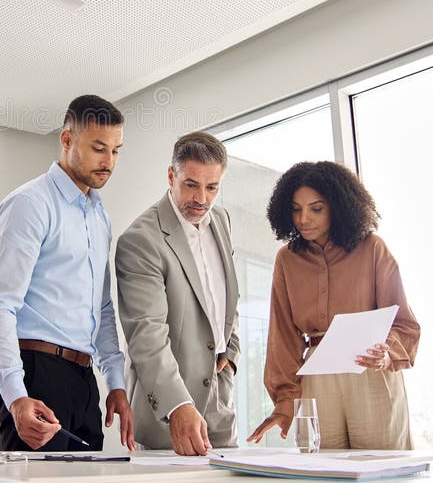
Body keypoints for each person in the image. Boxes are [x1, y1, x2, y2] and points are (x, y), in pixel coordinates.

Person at [0, 95, 134, 452]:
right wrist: (16, 396)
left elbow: (104, 307)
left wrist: (116, 384)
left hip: (83, 378)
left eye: (115, 150)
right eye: (98, 148)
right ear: (67, 140)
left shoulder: (99, 216)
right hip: (37, 373)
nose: (108, 162)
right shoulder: (29, 205)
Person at [248, 160, 420, 450]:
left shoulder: (372, 248)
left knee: (382, 472)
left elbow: (404, 323)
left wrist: (386, 354)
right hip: (317, 379)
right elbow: (283, 340)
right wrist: (285, 402)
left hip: (371, 372)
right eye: (296, 208)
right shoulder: (286, 260)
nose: (304, 219)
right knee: (321, 476)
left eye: (316, 208)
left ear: (337, 207)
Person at [115, 131, 240, 455]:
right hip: (167, 421)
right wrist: (177, 405)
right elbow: (147, 333)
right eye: (191, 184)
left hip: (219, 411)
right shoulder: (141, 240)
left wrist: (232, 353)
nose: (201, 198)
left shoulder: (221, 221)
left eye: (212, 187)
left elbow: (226, 299)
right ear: (171, 175)